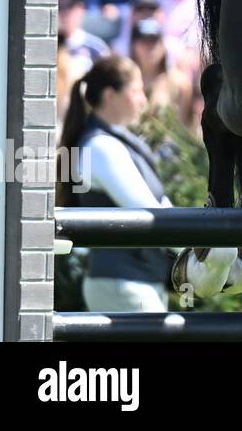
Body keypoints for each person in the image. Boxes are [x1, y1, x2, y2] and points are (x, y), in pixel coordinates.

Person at [58, 56, 176, 312]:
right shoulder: (101, 147)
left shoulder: (114, 143)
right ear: (110, 95)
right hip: (122, 283)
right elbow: (147, 210)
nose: (144, 100)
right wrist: (198, 249)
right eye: (136, 91)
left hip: (137, 281)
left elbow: (160, 204)